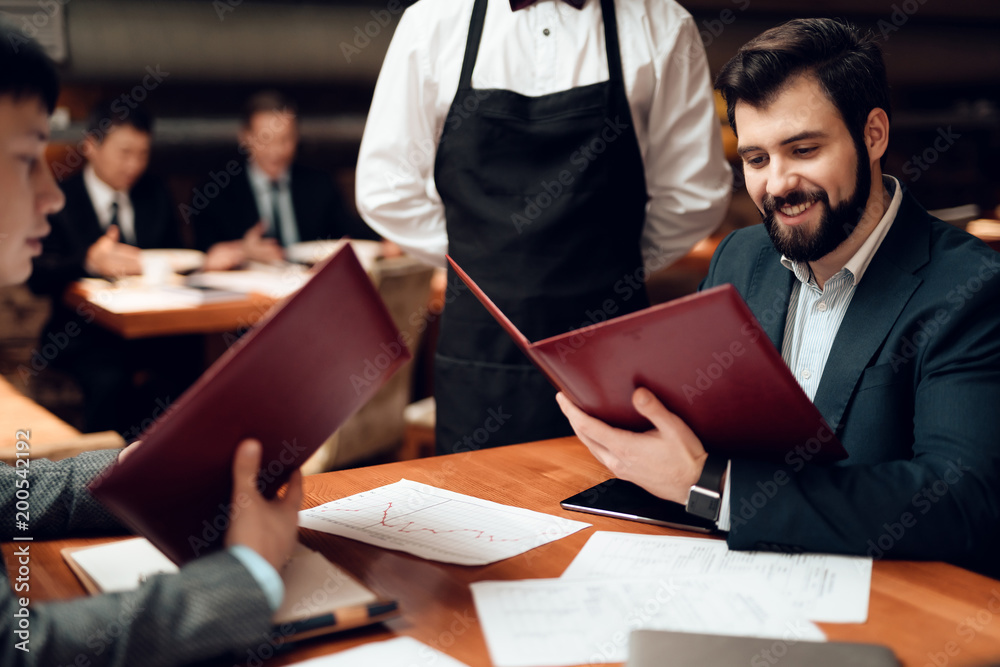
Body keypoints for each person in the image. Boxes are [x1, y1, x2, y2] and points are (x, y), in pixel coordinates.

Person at [556, 18, 1000, 578]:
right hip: (725, 571)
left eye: (804, 149)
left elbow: (962, 501)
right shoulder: (739, 258)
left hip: (895, 601)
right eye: (756, 159)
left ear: (874, 134)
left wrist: (713, 486)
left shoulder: (972, 288)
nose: (779, 183)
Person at [0, 26, 303, 666]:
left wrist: (144, 470)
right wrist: (250, 574)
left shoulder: (157, 195)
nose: (51, 197)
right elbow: (23, 650)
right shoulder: (75, 210)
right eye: (29, 159)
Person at [356, 0, 733, 455]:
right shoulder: (433, 20)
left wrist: (618, 262)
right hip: (480, 357)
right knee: (473, 513)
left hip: (612, 353)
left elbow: (696, 194)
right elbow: (386, 189)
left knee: (611, 512)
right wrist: (479, 259)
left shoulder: (664, 23)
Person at [28, 100, 200, 437]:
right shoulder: (59, 198)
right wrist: (88, 261)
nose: (134, 165)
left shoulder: (154, 193)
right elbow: (37, 275)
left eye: (143, 153)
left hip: (152, 331)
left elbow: (174, 253)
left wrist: (204, 260)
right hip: (83, 336)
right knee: (110, 377)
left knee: (189, 363)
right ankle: (99, 478)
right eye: (125, 152)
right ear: (91, 146)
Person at [194, 91, 379, 270]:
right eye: (266, 140)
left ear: (297, 137)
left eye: (285, 140)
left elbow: (353, 234)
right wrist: (242, 250)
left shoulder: (319, 185)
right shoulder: (217, 191)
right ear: (245, 137)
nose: (276, 151)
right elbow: (202, 255)